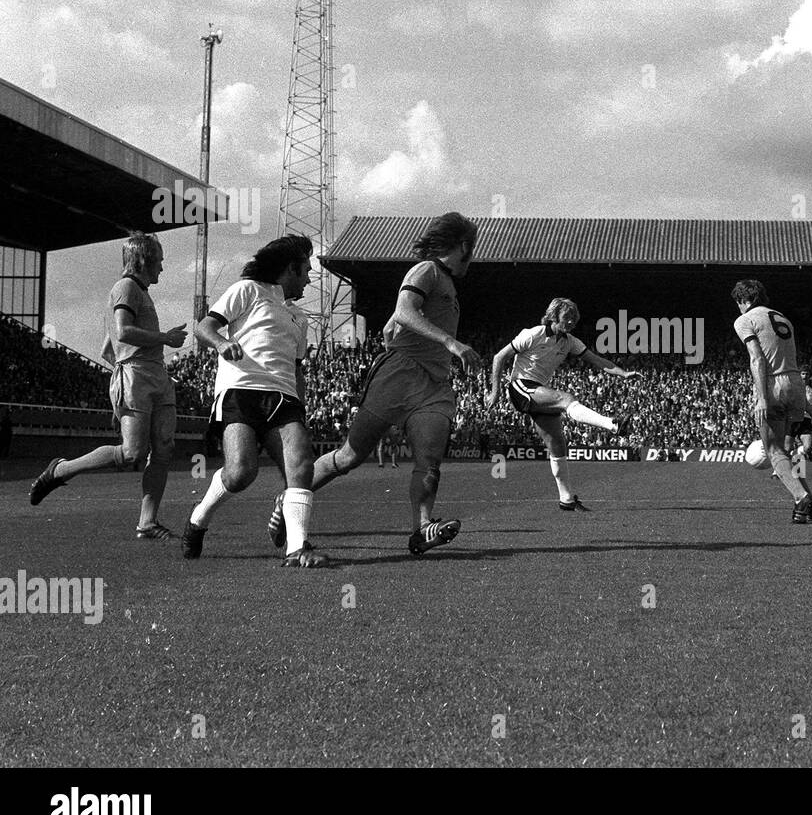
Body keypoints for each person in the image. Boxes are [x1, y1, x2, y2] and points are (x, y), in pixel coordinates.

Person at [267, 212, 480, 555]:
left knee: (429, 459)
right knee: (350, 457)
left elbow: (396, 322)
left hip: (434, 383)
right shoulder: (426, 270)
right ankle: (290, 495)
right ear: (465, 246)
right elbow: (405, 311)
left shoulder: (448, 282)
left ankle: (422, 529)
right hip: (399, 375)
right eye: (474, 248)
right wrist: (451, 343)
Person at [29, 232, 187, 538]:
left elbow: (107, 347)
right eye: (160, 261)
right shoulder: (126, 287)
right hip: (138, 377)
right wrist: (163, 340)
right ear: (143, 259)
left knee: (164, 447)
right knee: (131, 454)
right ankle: (59, 470)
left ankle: (148, 523)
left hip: (154, 375)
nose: (163, 269)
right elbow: (123, 331)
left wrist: (149, 359)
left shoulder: (139, 291)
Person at [180, 235, 322, 567]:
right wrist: (220, 344)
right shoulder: (249, 290)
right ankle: (198, 520)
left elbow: (296, 366)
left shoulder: (299, 318)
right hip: (241, 390)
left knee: (301, 463)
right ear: (291, 268)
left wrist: (302, 405)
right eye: (306, 271)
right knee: (241, 473)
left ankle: (297, 548)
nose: (310, 278)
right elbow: (204, 326)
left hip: (283, 396)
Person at [485, 297, 637, 510]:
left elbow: (597, 361)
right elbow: (499, 357)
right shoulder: (533, 334)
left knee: (557, 444)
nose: (571, 322)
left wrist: (622, 373)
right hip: (521, 387)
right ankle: (613, 425)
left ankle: (566, 500)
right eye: (567, 317)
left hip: (539, 392)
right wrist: (495, 391)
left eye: (574, 318)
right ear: (553, 317)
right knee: (566, 399)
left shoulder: (570, 342)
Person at [731, 280, 812, 524]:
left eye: (738, 303)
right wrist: (807, 403)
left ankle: (801, 497)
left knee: (773, 449)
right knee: (788, 450)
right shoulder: (783, 318)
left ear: (744, 301)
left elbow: (757, 358)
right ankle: (811, 503)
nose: (738, 308)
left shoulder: (745, 319)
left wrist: (762, 397)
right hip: (795, 384)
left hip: (773, 384)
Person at [786, 365, 812, 465]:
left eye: (807, 374)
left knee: (808, 447)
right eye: (803, 373)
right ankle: (777, 471)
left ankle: (798, 452)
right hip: (792, 418)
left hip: (806, 419)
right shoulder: (792, 386)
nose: (805, 376)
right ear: (799, 374)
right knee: (787, 447)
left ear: (810, 376)